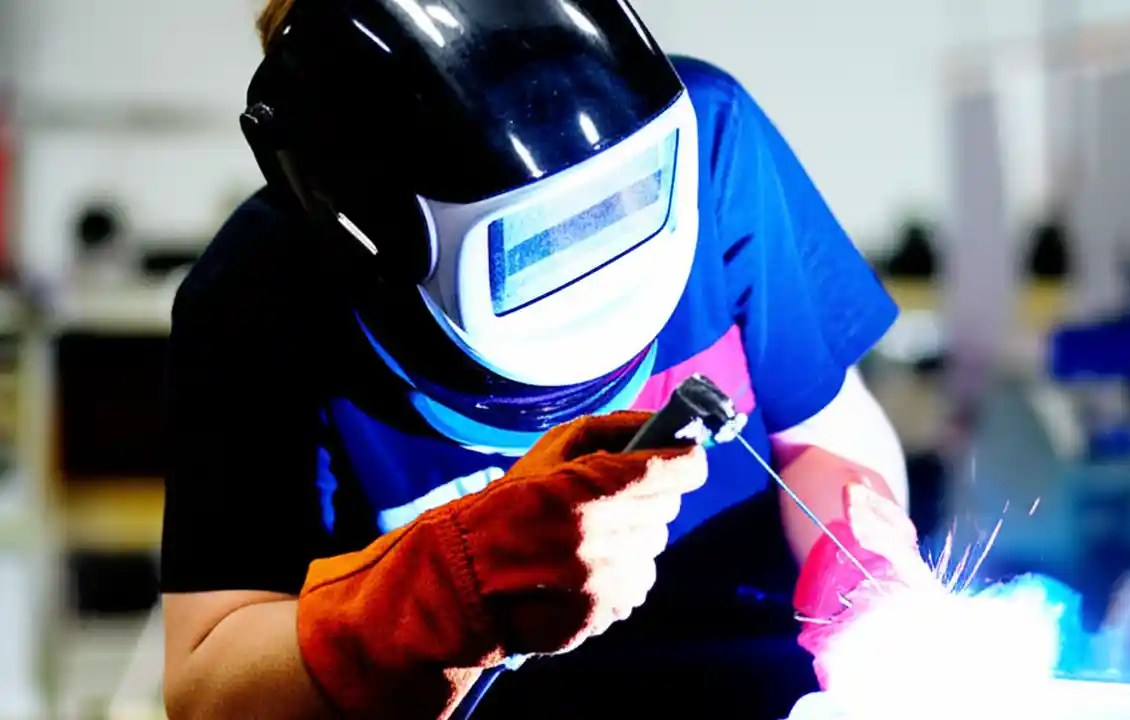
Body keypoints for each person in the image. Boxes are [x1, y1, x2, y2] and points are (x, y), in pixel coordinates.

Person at [159, 1, 914, 718]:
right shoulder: (262, 293)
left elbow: (825, 430)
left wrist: (861, 575)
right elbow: (208, 693)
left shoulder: (708, 138)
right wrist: (442, 598)